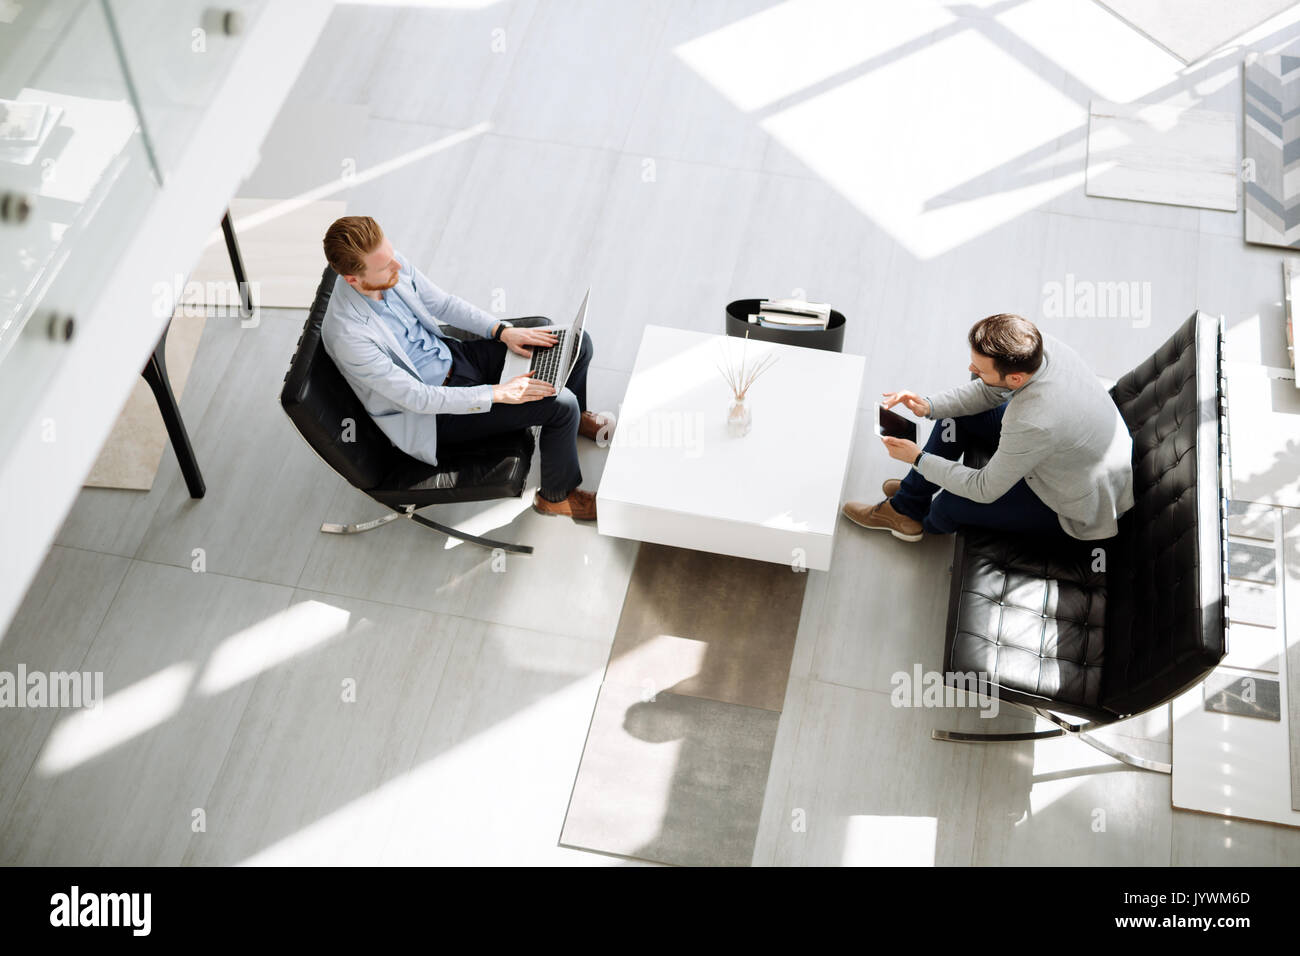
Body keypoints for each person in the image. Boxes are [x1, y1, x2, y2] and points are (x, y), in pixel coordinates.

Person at [319, 216, 612, 521]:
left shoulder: (387, 262)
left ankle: (574, 424)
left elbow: (443, 304)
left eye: (392, 255)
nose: (397, 267)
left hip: (455, 356)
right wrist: (498, 394)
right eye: (385, 267)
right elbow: (417, 398)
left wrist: (501, 330)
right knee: (561, 406)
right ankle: (557, 496)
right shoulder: (348, 335)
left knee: (576, 343)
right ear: (353, 279)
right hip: (435, 413)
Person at [843, 313, 1134, 542]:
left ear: (1016, 378)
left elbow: (984, 489)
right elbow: (989, 391)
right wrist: (928, 406)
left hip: (1077, 506)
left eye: (980, 369)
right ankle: (908, 504)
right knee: (955, 417)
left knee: (950, 503)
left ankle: (919, 522)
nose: (972, 371)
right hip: (1075, 456)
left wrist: (918, 458)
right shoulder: (1037, 346)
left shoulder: (1032, 420)